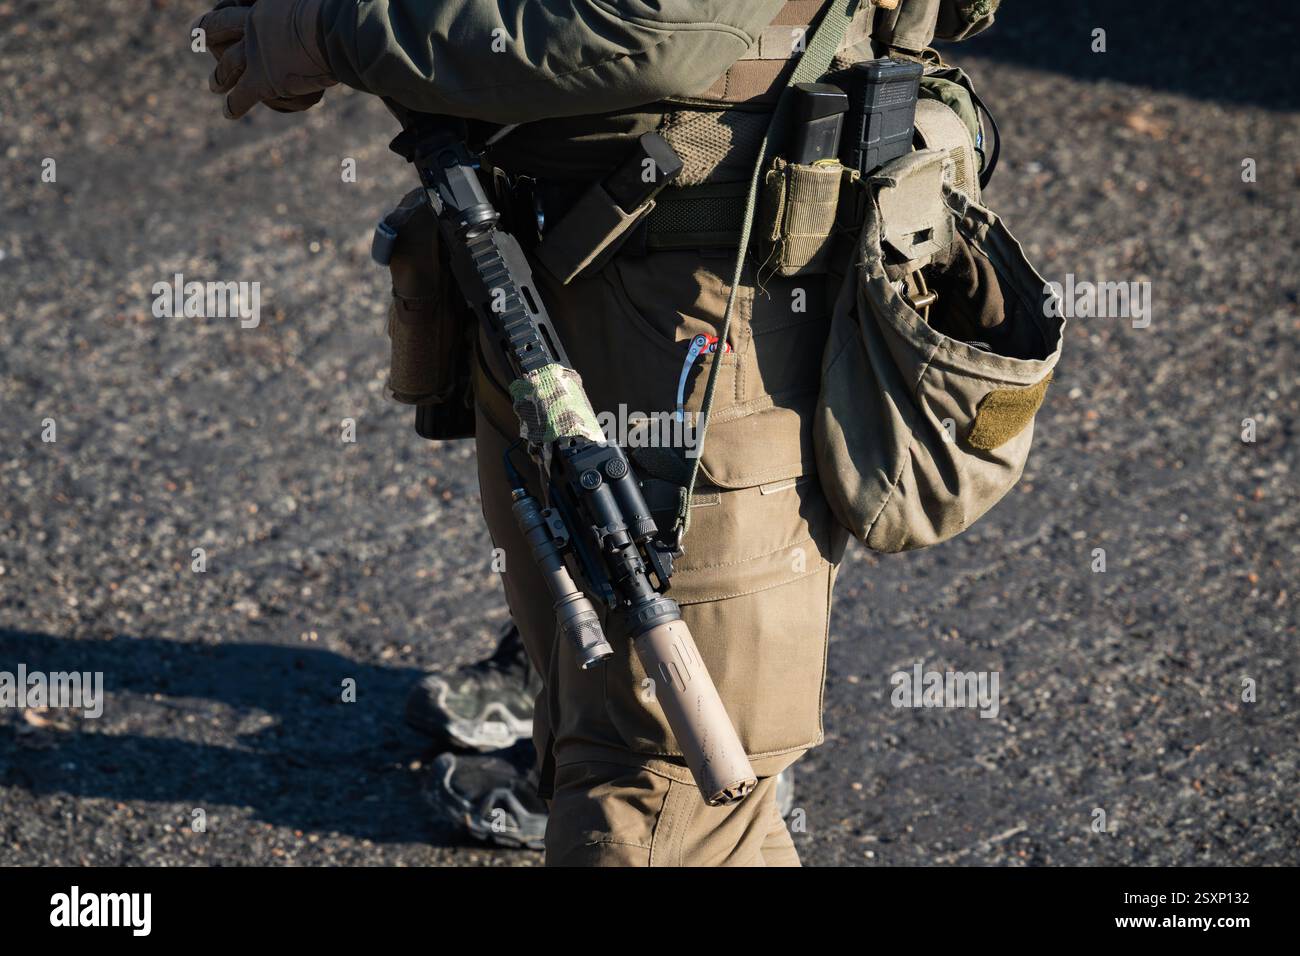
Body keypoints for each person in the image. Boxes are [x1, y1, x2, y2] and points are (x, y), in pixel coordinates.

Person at [193, 0, 998, 866]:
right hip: (555, 267)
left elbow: (650, 30)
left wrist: (344, 32)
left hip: (698, 307)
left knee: (655, 791)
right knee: (607, 734)